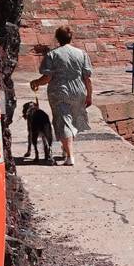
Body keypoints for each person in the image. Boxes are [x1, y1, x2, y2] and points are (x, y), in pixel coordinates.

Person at [30, 25, 93, 166]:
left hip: (59, 92)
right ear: (71, 37)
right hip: (79, 91)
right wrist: (89, 95)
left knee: (64, 121)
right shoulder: (81, 54)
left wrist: (36, 82)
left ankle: (70, 156)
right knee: (72, 120)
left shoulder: (53, 55)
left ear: (57, 38)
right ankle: (65, 149)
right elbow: (87, 78)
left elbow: (47, 78)